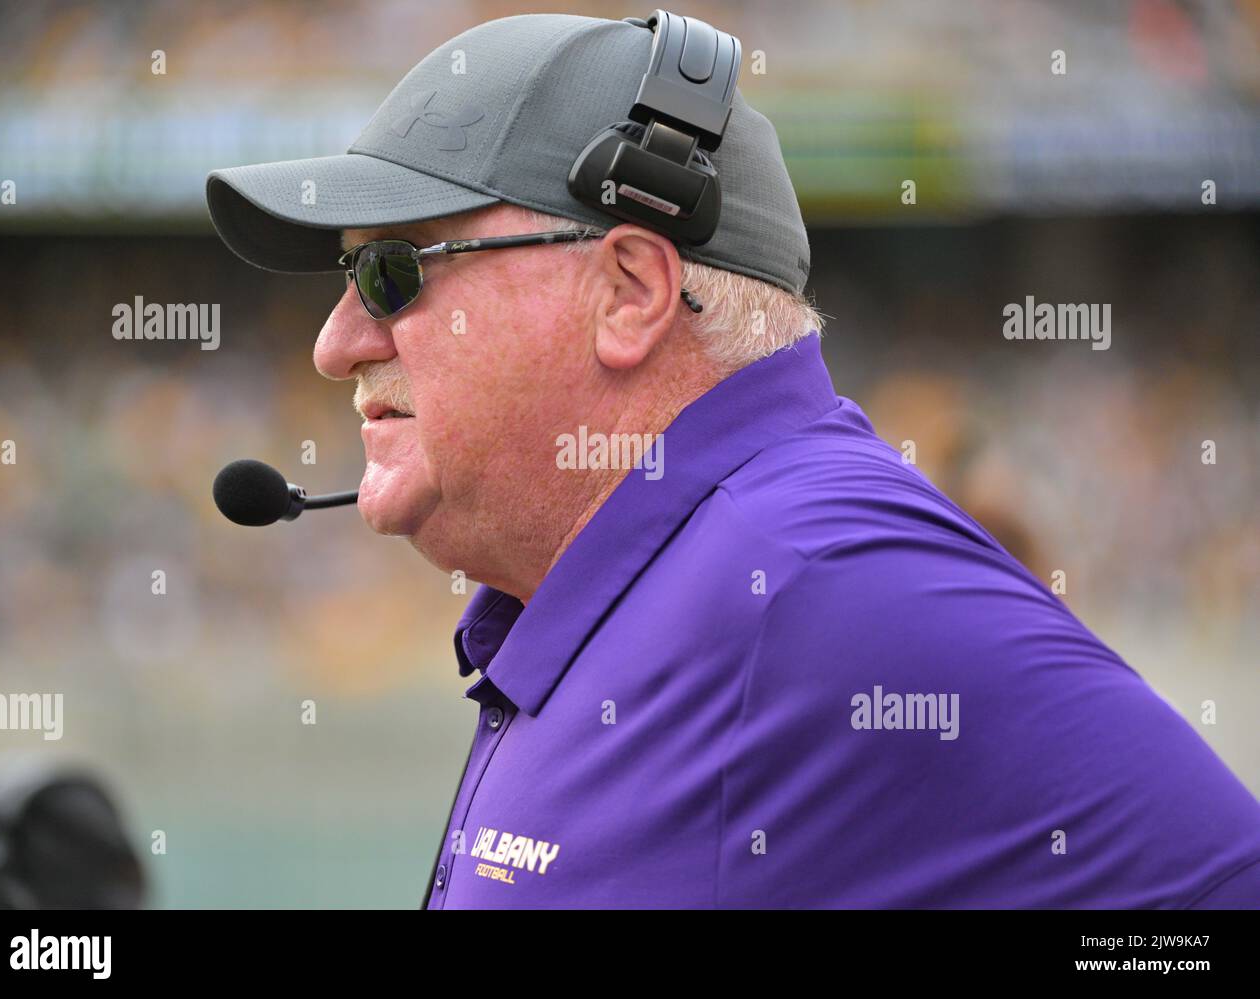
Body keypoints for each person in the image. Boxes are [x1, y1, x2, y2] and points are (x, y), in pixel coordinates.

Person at [206, 11, 1260, 908]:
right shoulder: (670, 580)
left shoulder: (816, 585)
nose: (335, 342)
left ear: (629, 292)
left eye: (392, 273)